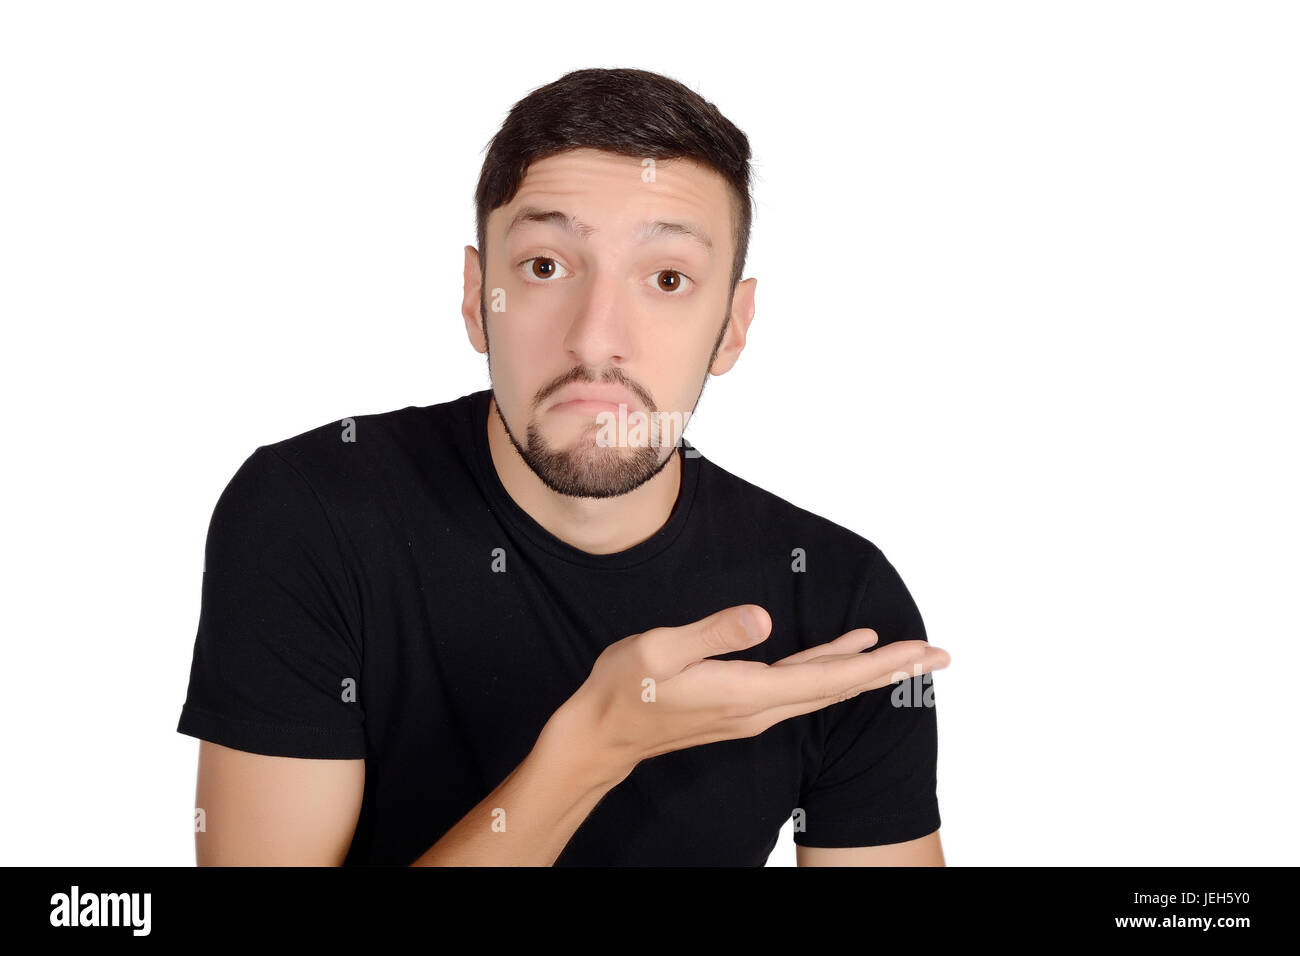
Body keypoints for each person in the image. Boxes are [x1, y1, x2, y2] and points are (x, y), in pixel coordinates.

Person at [177, 67, 951, 866]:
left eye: (668, 279)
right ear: (479, 298)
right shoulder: (310, 513)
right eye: (546, 266)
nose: (594, 338)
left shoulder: (841, 605)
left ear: (732, 328)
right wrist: (594, 750)